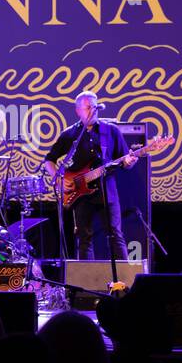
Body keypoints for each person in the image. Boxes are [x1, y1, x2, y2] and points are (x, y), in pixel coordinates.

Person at [42, 92, 137, 260]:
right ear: (78, 111)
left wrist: (129, 162)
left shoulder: (111, 131)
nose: (93, 111)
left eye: (95, 107)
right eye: (88, 108)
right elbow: (49, 160)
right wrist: (58, 179)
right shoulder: (70, 134)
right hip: (80, 194)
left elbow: (125, 160)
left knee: (116, 235)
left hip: (107, 191)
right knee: (84, 238)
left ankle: (125, 282)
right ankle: (85, 283)